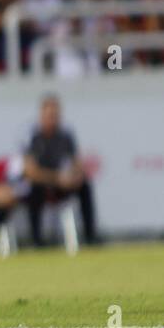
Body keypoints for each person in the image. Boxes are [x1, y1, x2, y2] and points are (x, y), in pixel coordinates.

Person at [22, 95, 99, 246]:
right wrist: (57, 178)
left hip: (62, 183)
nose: (53, 119)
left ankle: (90, 236)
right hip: (44, 183)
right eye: (49, 116)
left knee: (85, 186)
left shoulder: (65, 137)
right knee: (33, 190)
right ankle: (36, 239)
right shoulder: (33, 138)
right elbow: (31, 172)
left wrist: (74, 177)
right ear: (42, 116)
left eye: (55, 115)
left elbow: (77, 163)